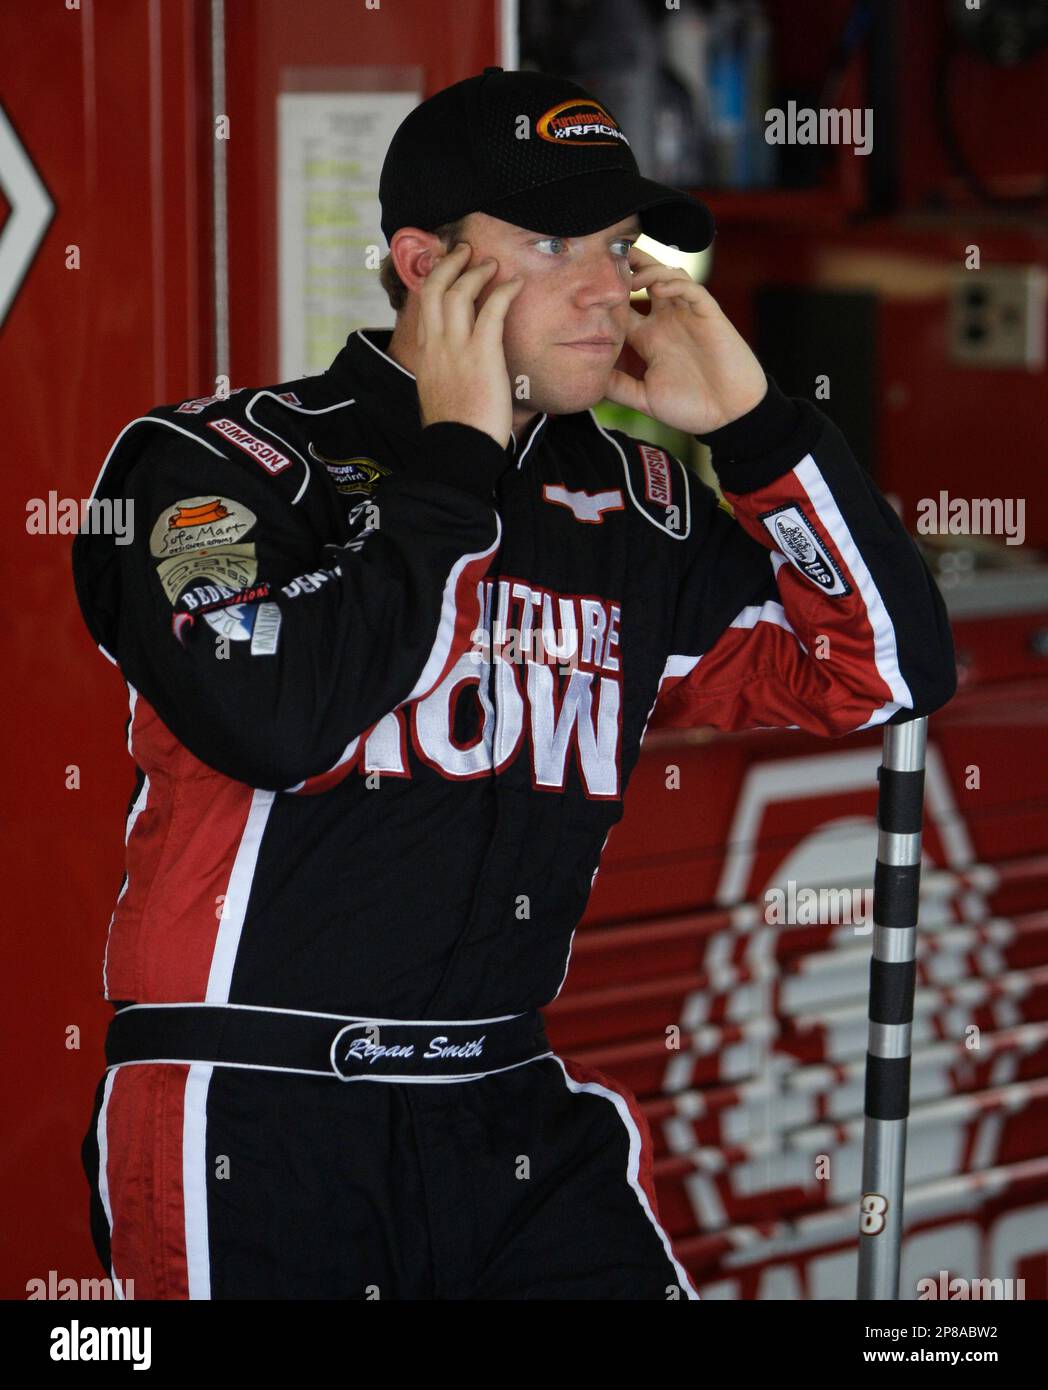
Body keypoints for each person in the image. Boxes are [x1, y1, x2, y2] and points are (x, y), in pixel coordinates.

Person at [73, 66, 956, 1300]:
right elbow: (275, 720)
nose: (612, 287)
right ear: (425, 265)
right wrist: (456, 456)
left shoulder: (635, 509)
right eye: (552, 243)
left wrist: (758, 435)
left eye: (619, 243)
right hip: (262, 1111)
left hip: (512, 1116)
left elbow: (888, 674)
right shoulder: (216, 462)